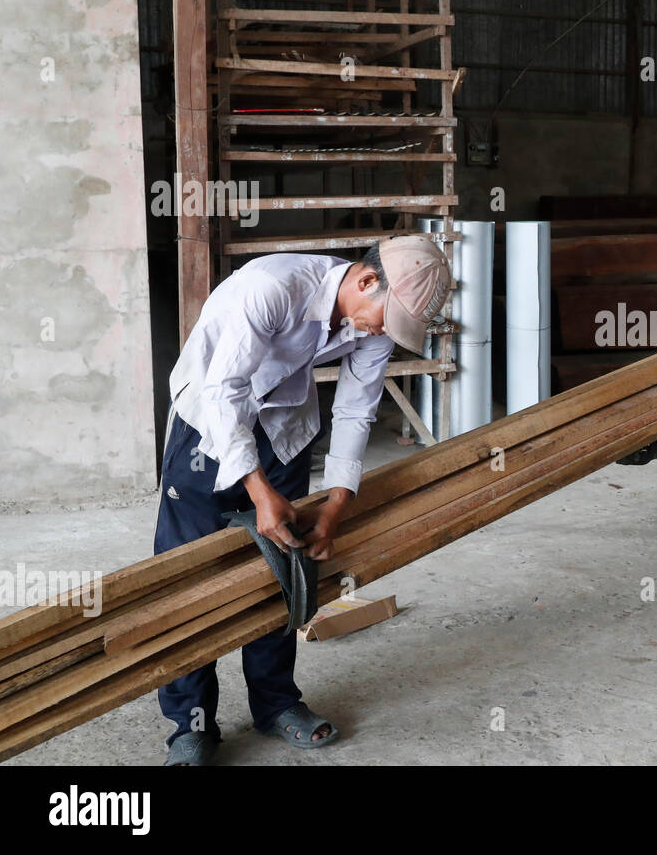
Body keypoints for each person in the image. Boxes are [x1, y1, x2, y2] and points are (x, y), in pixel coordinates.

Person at [155, 236, 450, 765]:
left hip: (285, 428)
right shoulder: (273, 288)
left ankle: (275, 704)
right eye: (384, 318)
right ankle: (189, 724)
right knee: (186, 578)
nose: (381, 331)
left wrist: (336, 504)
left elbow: (357, 411)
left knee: (281, 571)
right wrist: (257, 489)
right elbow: (224, 390)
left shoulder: (372, 319)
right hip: (208, 427)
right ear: (365, 280)